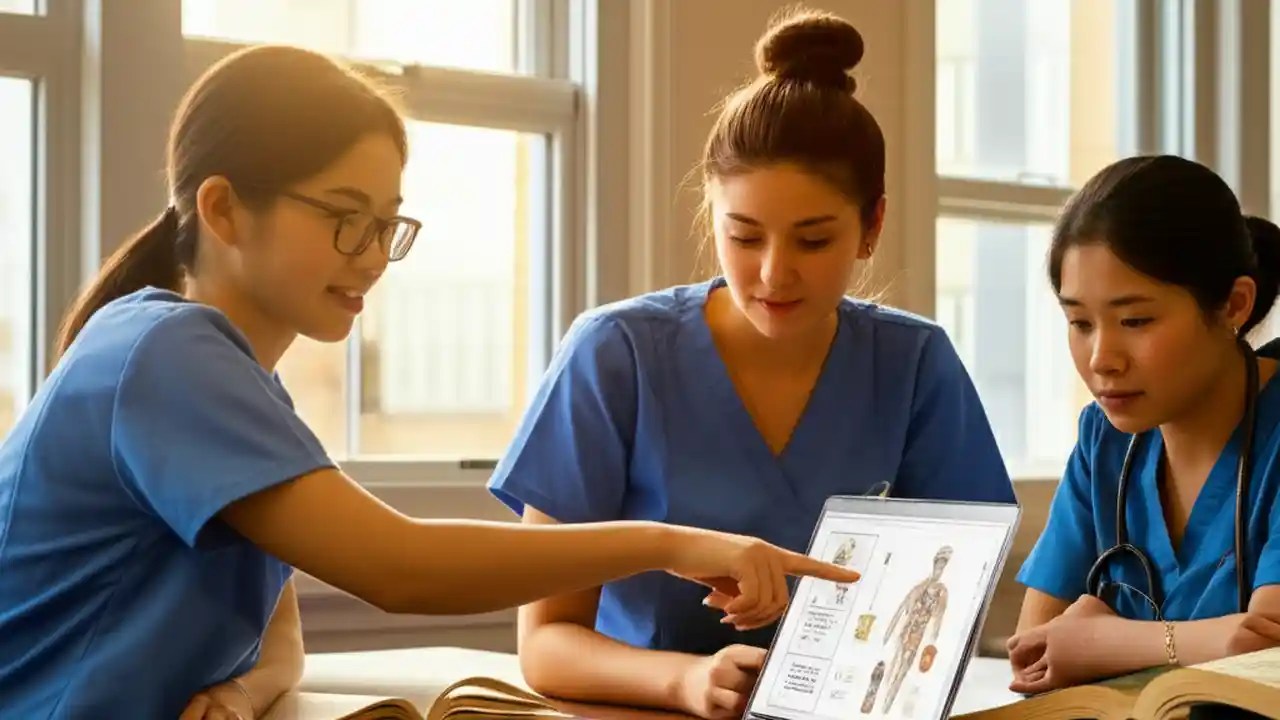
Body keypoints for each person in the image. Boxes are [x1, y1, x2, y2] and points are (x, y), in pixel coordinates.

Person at [0, 45, 861, 720]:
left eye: (385, 225)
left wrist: (242, 694)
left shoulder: (239, 386)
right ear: (223, 209)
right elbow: (400, 568)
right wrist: (673, 542)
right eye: (345, 220)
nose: (374, 257)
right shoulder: (167, 356)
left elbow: (282, 644)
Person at [486, 8, 1016, 719]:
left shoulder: (915, 364)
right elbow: (546, 640)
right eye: (744, 236)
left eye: (813, 240)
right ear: (712, 215)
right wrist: (684, 680)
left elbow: (946, 604)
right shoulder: (616, 354)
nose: (774, 274)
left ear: (873, 225)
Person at [1009, 154, 1280, 695]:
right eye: (1080, 323)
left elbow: (1268, 647)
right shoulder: (1104, 441)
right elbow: (1034, 652)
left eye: (1136, 321)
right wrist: (1211, 638)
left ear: (1233, 305)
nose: (1101, 359)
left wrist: (1102, 642)